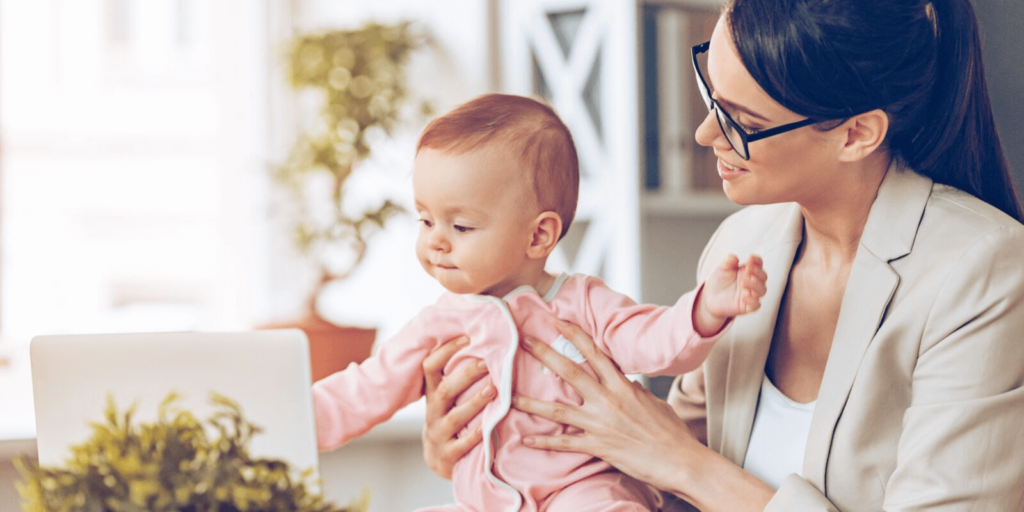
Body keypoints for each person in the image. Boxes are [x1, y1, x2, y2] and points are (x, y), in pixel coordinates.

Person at [420, 1, 1024, 511]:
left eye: (743, 121)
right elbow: (661, 485)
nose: (706, 134)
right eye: (712, 93)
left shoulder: (981, 270)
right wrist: (494, 451)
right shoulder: (744, 246)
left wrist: (688, 464)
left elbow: (681, 463)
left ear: (856, 134)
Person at [312, 93, 768, 511]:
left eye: (461, 227)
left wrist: (708, 307)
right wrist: (285, 419)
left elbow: (660, 344)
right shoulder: (438, 325)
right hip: (485, 500)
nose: (436, 242)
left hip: (584, 489)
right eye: (426, 220)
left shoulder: (585, 303)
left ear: (539, 235)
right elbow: (362, 391)